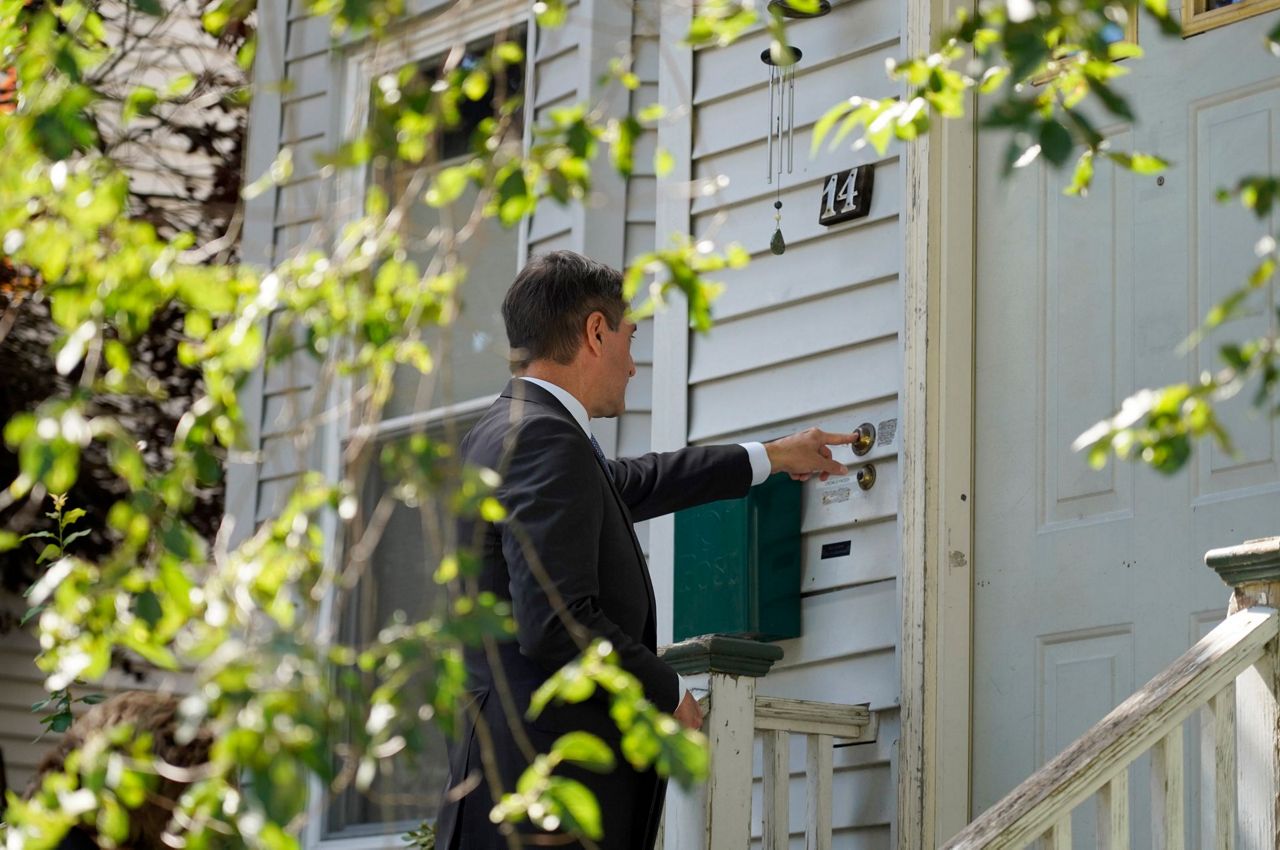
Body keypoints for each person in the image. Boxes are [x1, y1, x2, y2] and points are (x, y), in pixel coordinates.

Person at [435, 251, 855, 850]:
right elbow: (555, 621)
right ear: (595, 332)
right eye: (630, 338)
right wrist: (664, 688)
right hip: (546, 805)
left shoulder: (510, 430)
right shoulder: (544, 438)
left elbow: (633, 483)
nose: (634, 365)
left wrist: (771, 456)